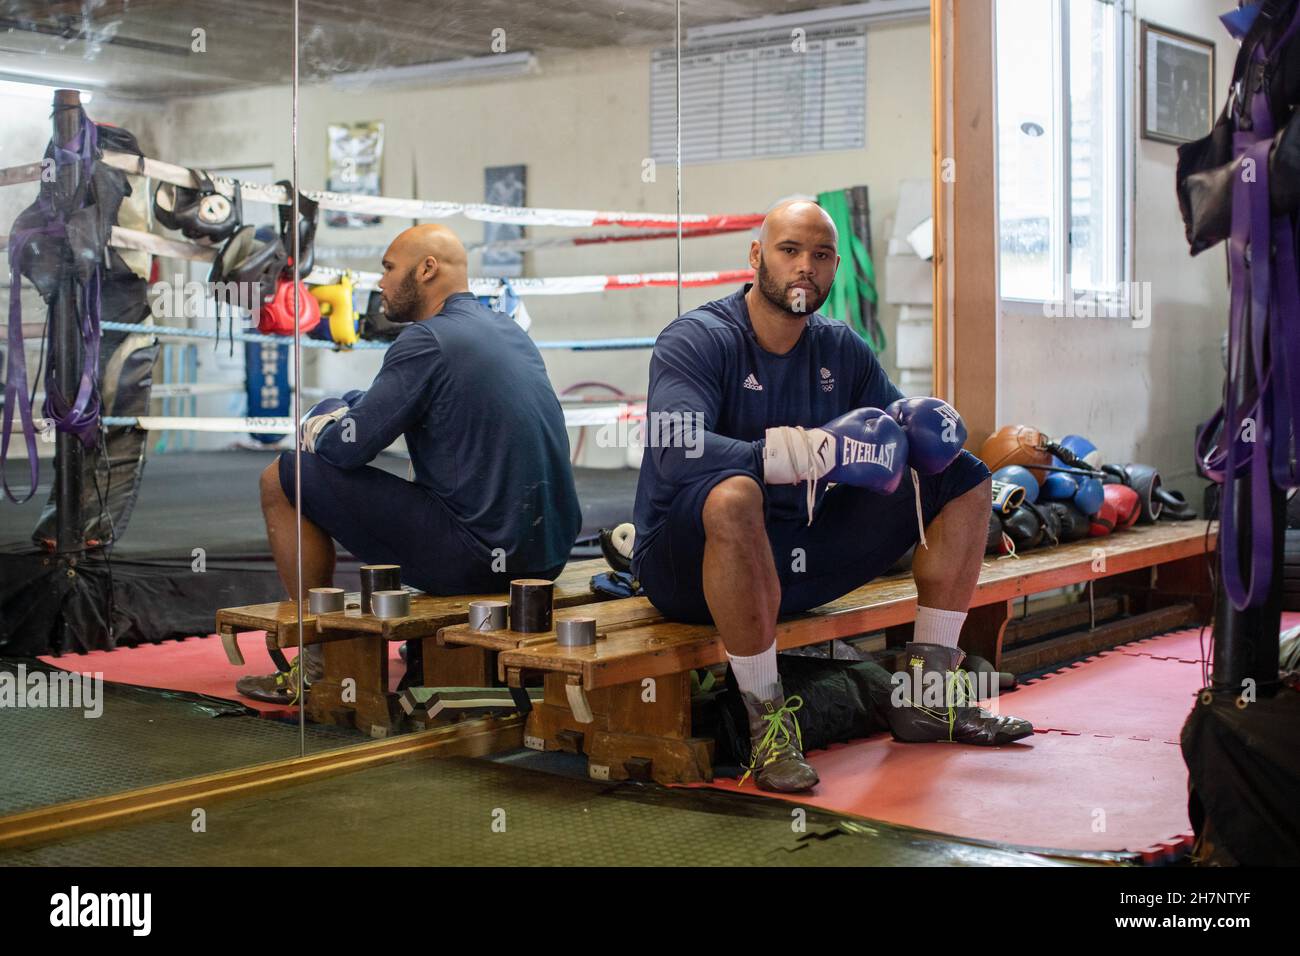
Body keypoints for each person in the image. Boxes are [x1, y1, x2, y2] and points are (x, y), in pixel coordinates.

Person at [631, 199, 1032, 793]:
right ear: (756, 255)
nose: (804, 268)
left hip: (796, 558)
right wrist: (796, 453)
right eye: (789, 250)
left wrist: (918, 423)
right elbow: (673, 447)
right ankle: (768, 724)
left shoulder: (841, 348)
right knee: (735, 495)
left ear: (835, 268)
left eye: (820, 256)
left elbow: (897, 433)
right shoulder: (699, 339)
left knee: (964, 475)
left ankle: (924, 698)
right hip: (685, 569)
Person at [241, 224, 581, 703]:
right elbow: (385, 408)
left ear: (426, 270)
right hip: (546, 557)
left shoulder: (427, 341)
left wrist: (321, 418)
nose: (379, 283)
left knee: (282, 475)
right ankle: (416, 652)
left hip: (480, 561)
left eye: (388, 268)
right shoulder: (505, 329)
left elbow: (345, 449)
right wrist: (351, 409)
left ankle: (315, 662)